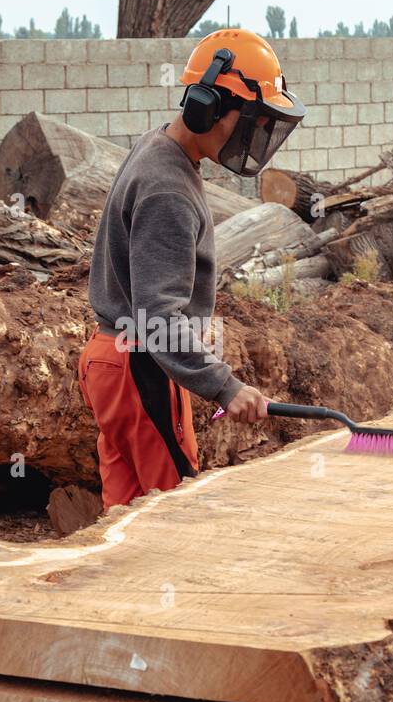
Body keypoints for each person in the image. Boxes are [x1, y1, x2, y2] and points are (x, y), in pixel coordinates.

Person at [80, 29, 306, 509]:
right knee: (171, 512)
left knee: (123, 515)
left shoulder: (159, 148)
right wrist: (226, 386)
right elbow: (157, 317)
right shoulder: (168, 190)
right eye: (249, 120)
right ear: (206, 106)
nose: (253, 136)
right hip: (140, 363)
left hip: (111, 359)